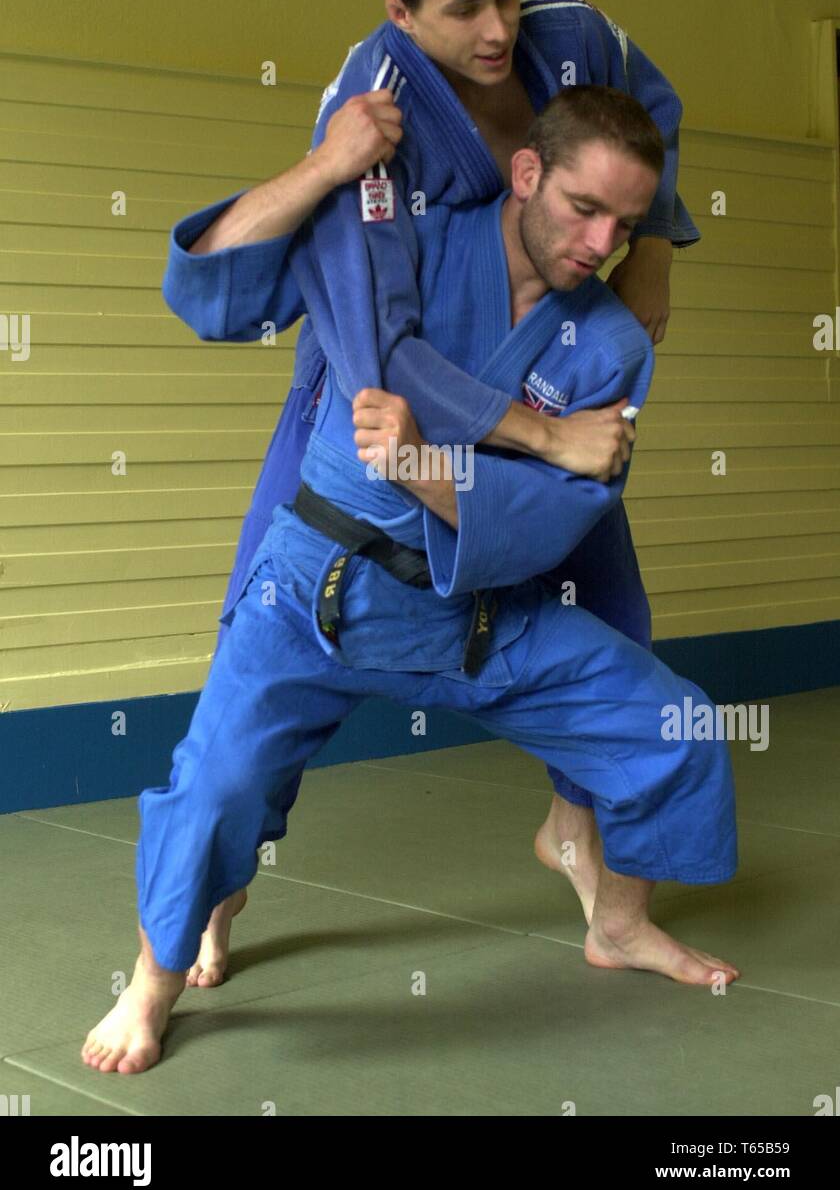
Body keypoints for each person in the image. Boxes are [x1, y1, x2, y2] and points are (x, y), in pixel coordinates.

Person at [81, 86, 738, 1076]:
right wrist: (325, 166)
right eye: (582, 207)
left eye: (627, 224)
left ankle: (618, 921)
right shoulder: (408, 244)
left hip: (482, 614)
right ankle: (155, 979)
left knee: (675, 725)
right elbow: (213, 283)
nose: (599, 242)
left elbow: (555, 520)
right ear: (527, 174)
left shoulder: (611, 343)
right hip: (318, 590)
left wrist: (429, 463)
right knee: (217, 789)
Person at [184, 0, 700, 982]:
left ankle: (594, 868)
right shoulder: (370, 101)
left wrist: (650, 247)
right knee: (267, 623)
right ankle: (214, 898)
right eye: (466, 8)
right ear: (401, 10)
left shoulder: (577, 34)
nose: (499, 29)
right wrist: (542, 439)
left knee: (612, 606)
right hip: (376, 386)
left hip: (533, 354)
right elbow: (384, 349)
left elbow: (647, 117)